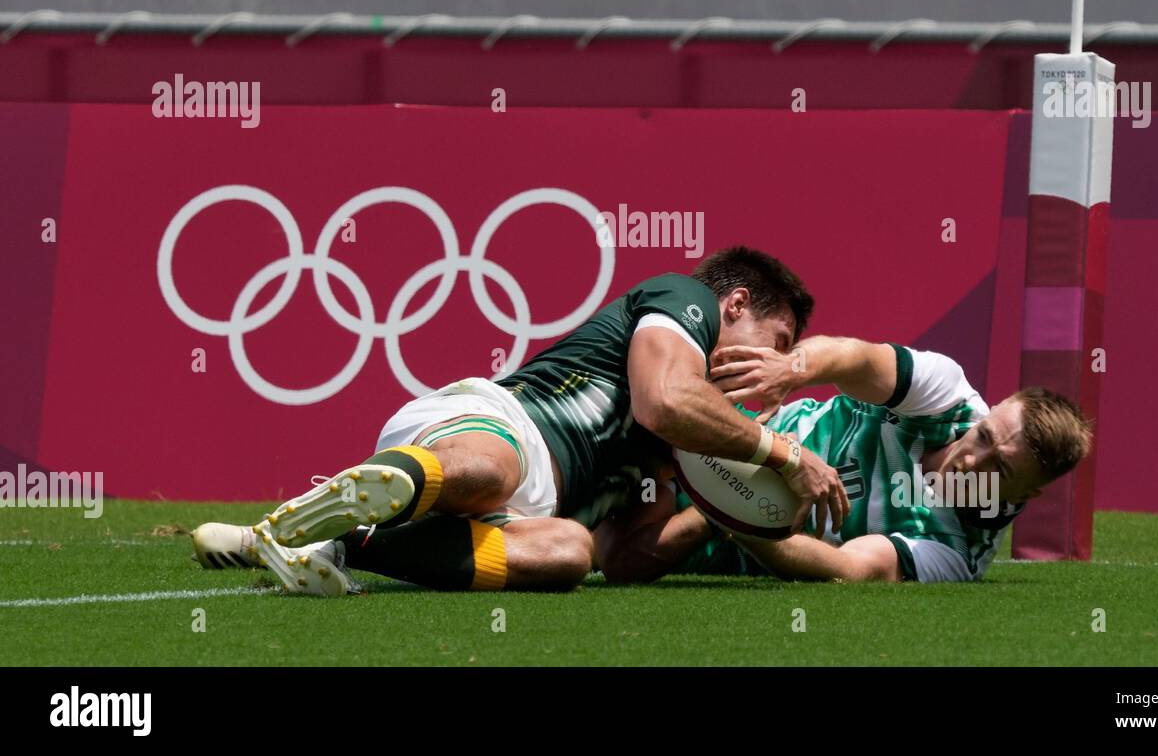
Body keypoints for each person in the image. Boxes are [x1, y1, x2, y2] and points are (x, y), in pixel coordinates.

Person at [193, 247, 849, 594]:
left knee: (568, 553)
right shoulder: (686, 299)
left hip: (520, 510)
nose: (780, 365)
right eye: (781, 340)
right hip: (489, 423)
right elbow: (663, 401)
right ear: (734, 304)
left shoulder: (688, 443)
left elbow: (624, 558)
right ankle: (336, 505)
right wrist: (785, 456)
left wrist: (724, 511)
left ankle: (331, 539)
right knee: (492, 471)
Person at [594, 336, 1092, 584]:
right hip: (735, 428)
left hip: (718, 533)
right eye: (984, 436)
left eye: (998, 469)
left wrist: (738, 509)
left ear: (1026, 494)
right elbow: (856, 358)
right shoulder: (949, 397)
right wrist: (788, 370)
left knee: (593, 552)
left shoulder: (956, 551)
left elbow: (846, 569)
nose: (970, 460)